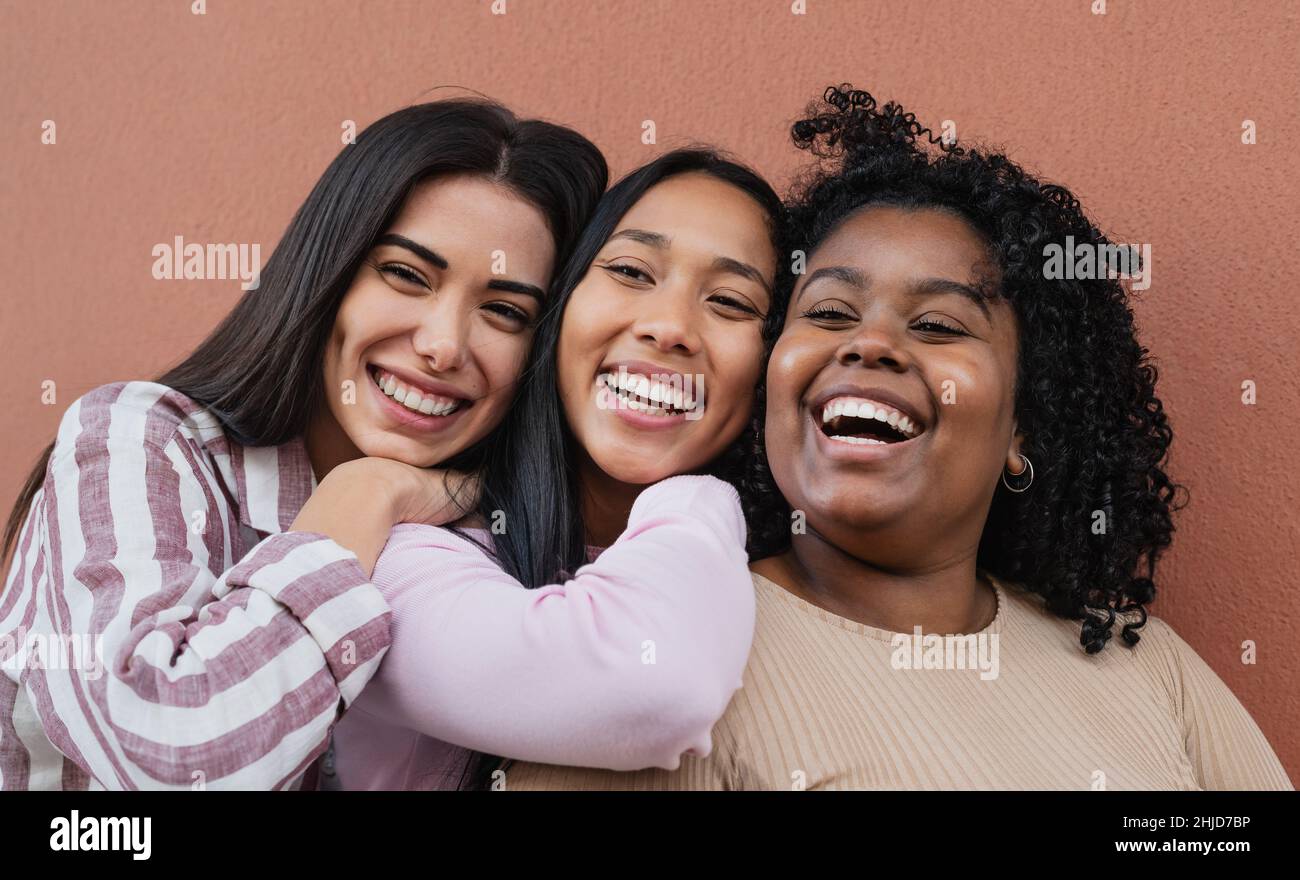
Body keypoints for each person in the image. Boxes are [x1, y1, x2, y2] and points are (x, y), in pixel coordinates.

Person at [498, 85, 1293, 791]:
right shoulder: (664, 652)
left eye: (939, 324)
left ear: (1024, 424)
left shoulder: (1137, 663)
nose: (868, 344)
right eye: (830, 313)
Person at [0, 98, 606, 790]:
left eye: (504, 311)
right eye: (406, 275)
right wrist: (358, 502)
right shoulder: (141, 441)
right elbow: (170, 756)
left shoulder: (500, 538)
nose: (443, 346)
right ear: (330, 273)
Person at [330, 149, 782, 789]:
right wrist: (703, 497)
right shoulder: (403, 551)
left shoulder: (778, 583)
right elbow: (652, 687)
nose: (669, 327)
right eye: (630, 270)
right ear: (558, 307)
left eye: (733, 303)